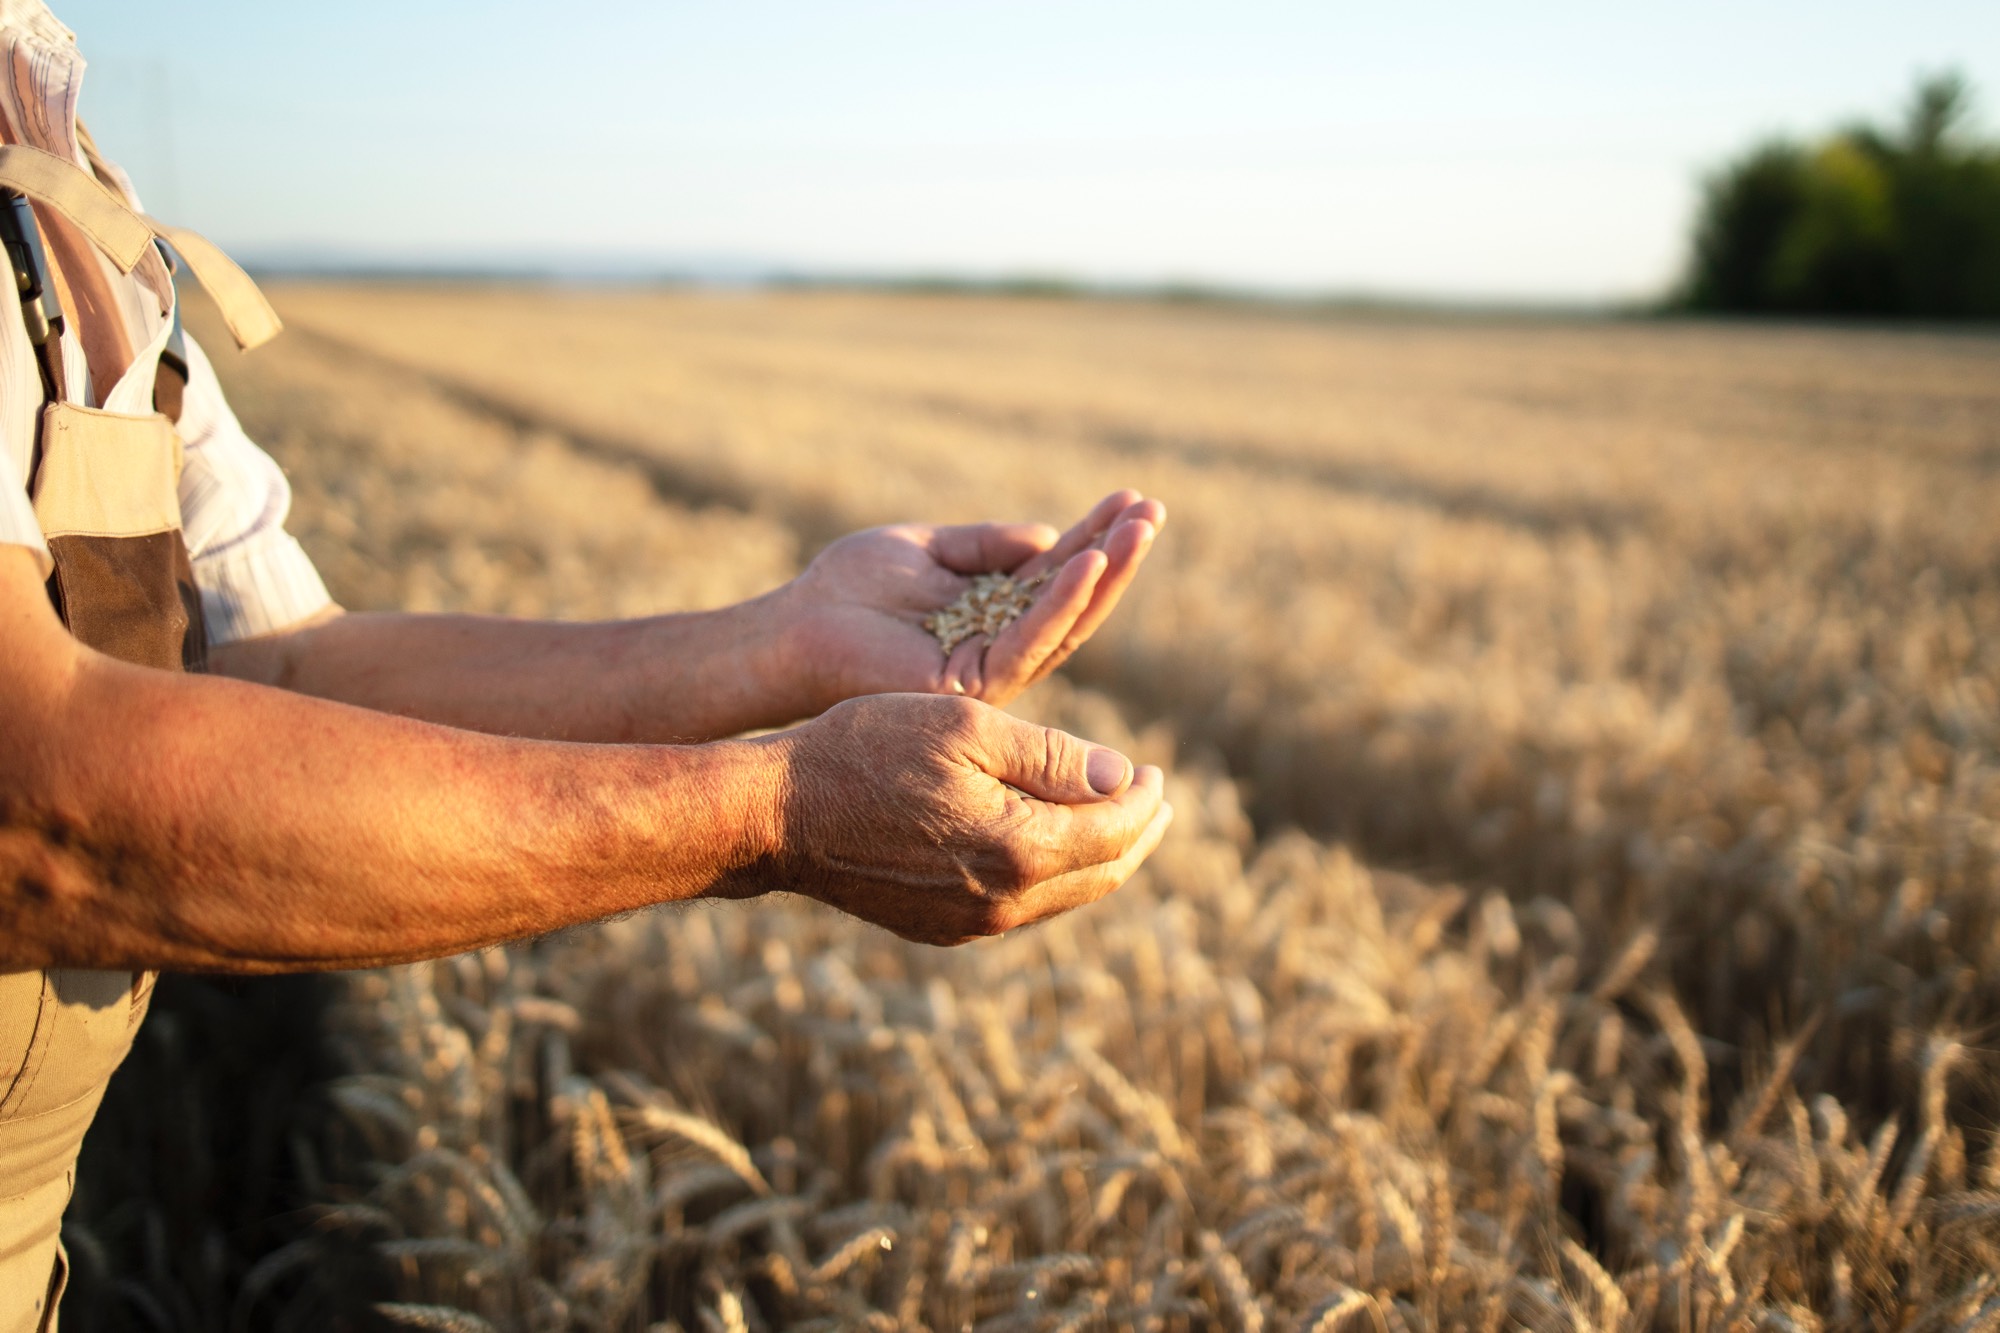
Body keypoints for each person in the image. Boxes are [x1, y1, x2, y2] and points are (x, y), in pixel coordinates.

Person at [0, 5, 1171, 1327]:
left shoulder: (55, 160)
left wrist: (783, 639)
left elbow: (270, 671)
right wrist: (778, 810)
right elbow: (36, 800)